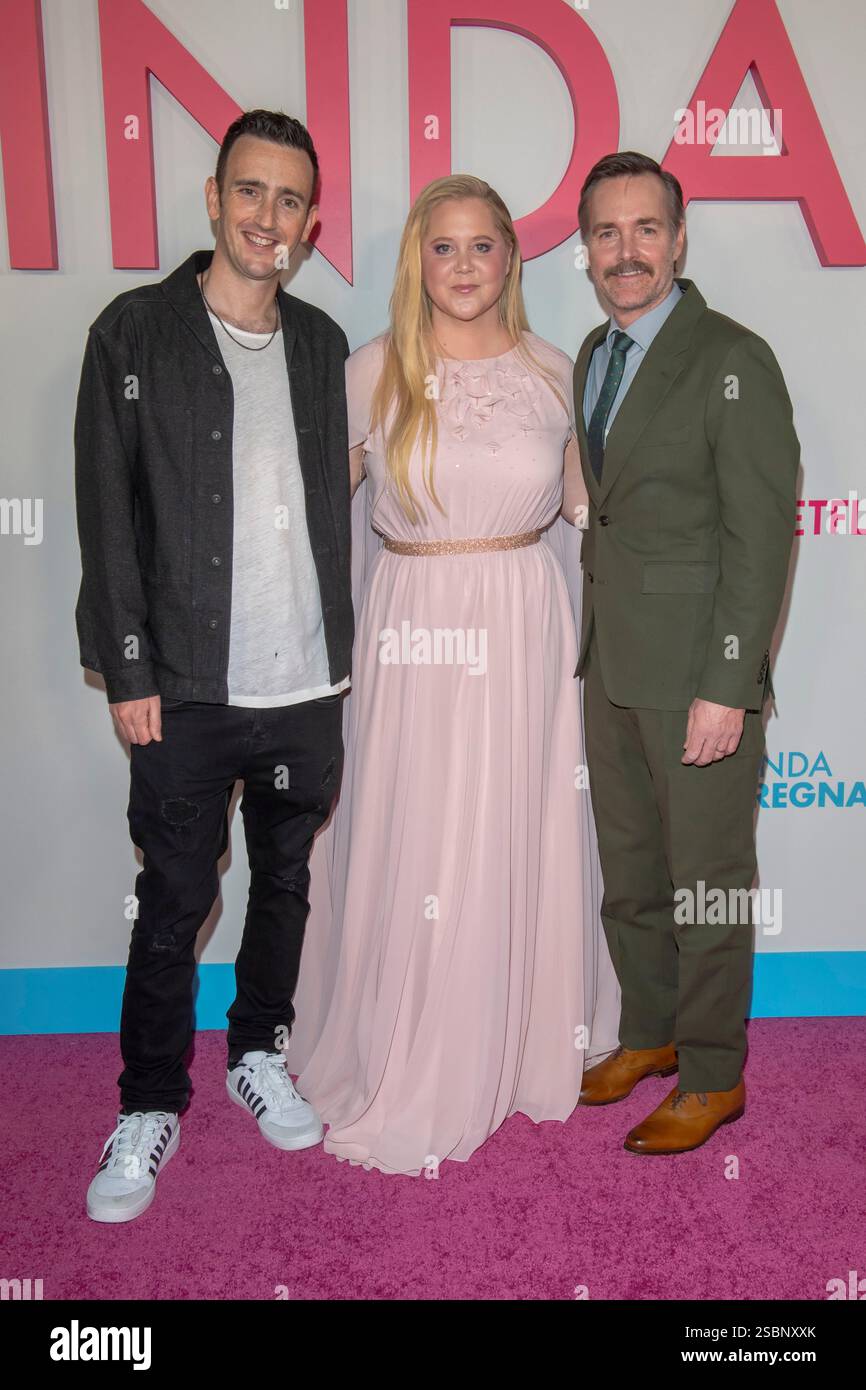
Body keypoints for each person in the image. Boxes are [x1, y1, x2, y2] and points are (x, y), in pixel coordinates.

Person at [294, 174, 620, 1176]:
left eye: (484, 246)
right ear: (416, 260)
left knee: (515, 822)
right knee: (421, 831)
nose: (465, 265)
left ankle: (525, 1036)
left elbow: (588, 518)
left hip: (523, 628)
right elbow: (309, 512)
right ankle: (408, 1045)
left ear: (512, 259)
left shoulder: (557, 369)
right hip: (414, 630)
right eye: (444, 247)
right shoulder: (374, 370)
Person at [74, 111, 352, 1222]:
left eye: (288, 200)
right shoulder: (132, 333)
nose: (266, 217)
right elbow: (107, 508)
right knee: (174, 896)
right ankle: (148, 1103)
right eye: (250, 192)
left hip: (303, 685)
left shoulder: (324, 344)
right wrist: (128, 666)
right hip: (184, 684)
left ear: (308, 219)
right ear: (211, 196)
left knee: (284, 883)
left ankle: (258, 1050)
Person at [572, 152, 799, 1153]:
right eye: (607, 233)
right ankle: (651, 1034)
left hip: (696, 678)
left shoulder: (730, 355)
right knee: (630, 874)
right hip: (611, 665)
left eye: (645, 229)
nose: (627, 251)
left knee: (705, 878)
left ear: (677, 237)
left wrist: (728, 683)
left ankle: (713, 1073)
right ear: (585, 249)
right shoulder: (593, 352)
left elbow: (761, 535)